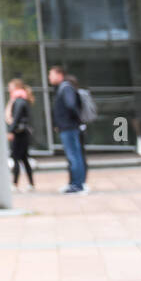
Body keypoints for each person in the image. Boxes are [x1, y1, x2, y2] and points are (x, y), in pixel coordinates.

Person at [48, 65, 87, 194]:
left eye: (51, 74)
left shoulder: (65, 88)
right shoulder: (63, 88)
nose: (49, 77)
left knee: (74, 156)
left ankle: (77, 185)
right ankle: (75, 184)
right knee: (74, 156)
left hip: (69, 127)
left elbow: (71, 105)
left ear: (59, 75)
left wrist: (74, 122)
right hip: (68, 126)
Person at [4, 79, 35, 192]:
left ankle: (15, 184)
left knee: (16, 158)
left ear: (16, 87)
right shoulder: (22, 99)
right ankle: (31, 184)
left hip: (19, 133)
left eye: (10, 86)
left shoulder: (19, 100)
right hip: (23, 133)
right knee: (24, 159)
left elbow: (16, 118)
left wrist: (11, 131)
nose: (8, 88)